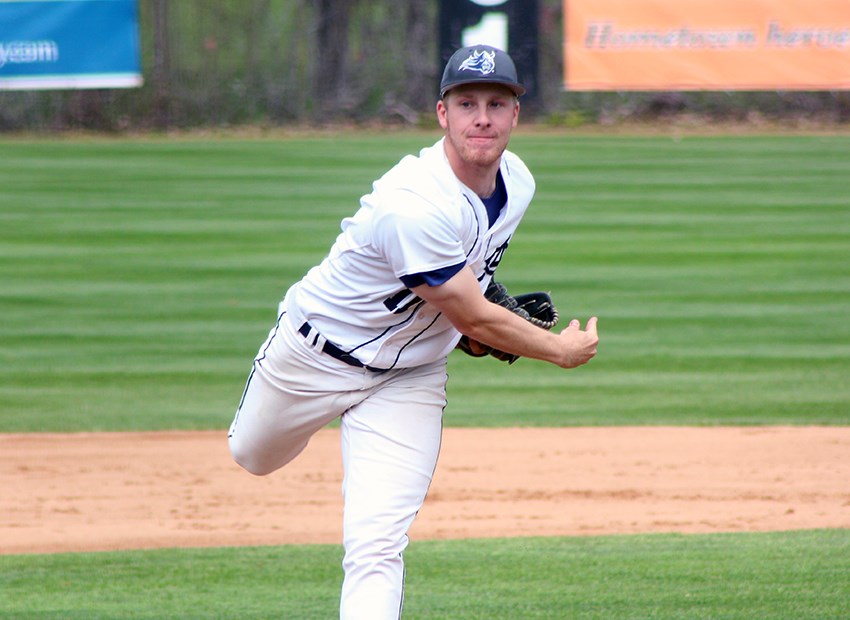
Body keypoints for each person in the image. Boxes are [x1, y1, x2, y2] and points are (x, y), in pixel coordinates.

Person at [227, 44, 599, 619]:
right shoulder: (412, 203)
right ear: (442, 114)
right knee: (252, 455)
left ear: (516, 115)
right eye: (466, 102)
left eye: (497, 104)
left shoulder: (518, 183)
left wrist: (476, 317)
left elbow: (472, 291)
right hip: (313, 356)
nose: (483, 117)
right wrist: (559, 350)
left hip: (410, 376)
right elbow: (473, 314)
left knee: (376, 547)